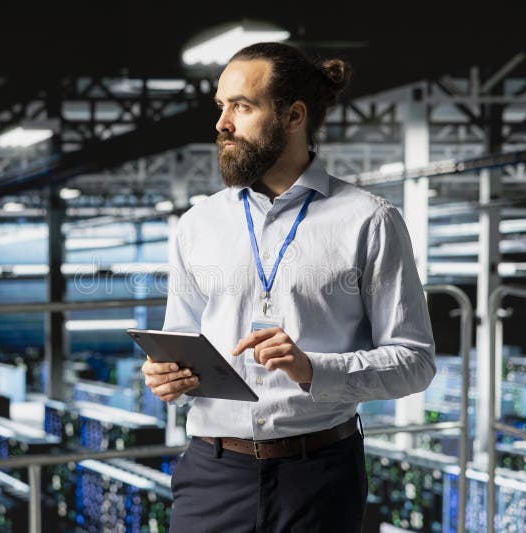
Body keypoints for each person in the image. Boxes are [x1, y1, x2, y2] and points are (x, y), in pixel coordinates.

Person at [141, 42, 436, 533]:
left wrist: (312, 369)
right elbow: (181, 338)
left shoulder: (368, 221)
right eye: (221, 107)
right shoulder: (198, 223)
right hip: (211, 474)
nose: (222, 124)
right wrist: (165, 376)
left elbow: (415, 362)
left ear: (294, 115)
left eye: (241, 106)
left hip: (319, 474)